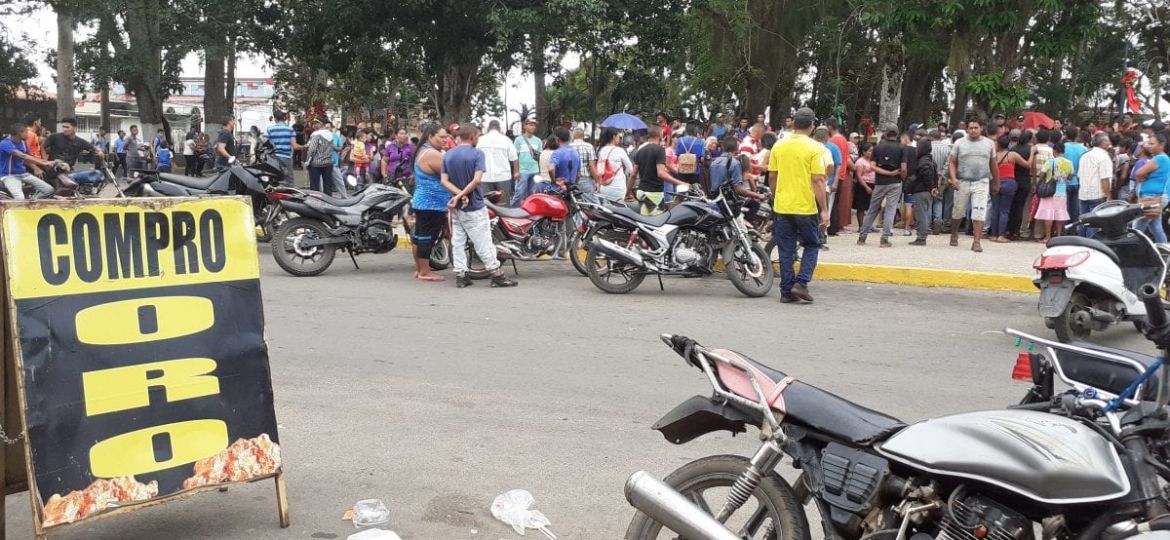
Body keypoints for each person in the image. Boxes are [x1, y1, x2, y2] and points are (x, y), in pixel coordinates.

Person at [441, 124, 518, 289]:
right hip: (474, 205)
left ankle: (461, 275)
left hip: (456, 206)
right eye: (478, 135)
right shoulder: (477, 154)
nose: (478, 138)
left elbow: (444, 181)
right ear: (472, 136)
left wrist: (458, 195)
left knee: (458, 241)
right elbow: (476, 180)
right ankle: (496, 274)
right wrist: (463, 195)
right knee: (483, 241)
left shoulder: (448, 155)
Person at [768, 108, 828, 304]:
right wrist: (825, 209)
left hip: (783, 206)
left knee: (786, 248)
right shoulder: (815, 148)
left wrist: (776, 195)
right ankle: (801, 283)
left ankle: (786, 291)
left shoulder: (779, 145)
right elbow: (818, 180)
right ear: (812, 126)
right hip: (805, 207)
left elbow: (772, 176)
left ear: (793, 123)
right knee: (812, 244)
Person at [948, 119, 998, 252]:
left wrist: (996, 182)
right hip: (962, 181)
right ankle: (954, 233)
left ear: (981, 129)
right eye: (971, 128)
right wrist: (953, 178)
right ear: (967, 129)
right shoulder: (959, 143)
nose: (973, 130)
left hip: (982, 182)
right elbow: (952, 162)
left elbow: (993, 163)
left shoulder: (989, 143)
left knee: (979, 211)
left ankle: (976, 241)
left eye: (976, 128)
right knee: (958, 211)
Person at [410, 123, 451, 282]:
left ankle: (420, 269)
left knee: (419, 237)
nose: (445, 140)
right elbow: (449, 174)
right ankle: (425, 272)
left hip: (423, 202)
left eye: (446, 137)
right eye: (441, 137)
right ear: (430, 137)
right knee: (427, 237)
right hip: (432, 203)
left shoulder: (423, 151)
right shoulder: (432, 154)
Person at [857, 128, 906, 247]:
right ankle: (884, 239)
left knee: (872, 209)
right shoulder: (901, 148)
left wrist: (886, 173)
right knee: (890, 210)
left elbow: (872, 166)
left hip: (879, 182)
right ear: (897, 135)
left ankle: (862, 237)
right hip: (895, 182)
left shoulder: (877, 147)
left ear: (886, 134)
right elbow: (904, 168)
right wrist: (898, 176)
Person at [629, 125, 685, 215]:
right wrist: (681, 183)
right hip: (654, 195)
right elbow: (661, 173)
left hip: (641, 193)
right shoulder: (660, 150)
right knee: (656, 221)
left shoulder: (640, 150)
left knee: (644, 220)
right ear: (660, 134)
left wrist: (627, 193)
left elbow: (633, 175)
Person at [0, 123, 59, 200]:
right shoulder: (5, 143)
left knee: (49, 190)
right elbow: (23, 156)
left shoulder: (23, 143)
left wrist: (36, 168)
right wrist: (44, 163)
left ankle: (32, 203)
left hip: (23, 173)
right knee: (20, 198)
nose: (28, 134)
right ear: (20, 133)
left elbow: (28, 158)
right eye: (26, 132)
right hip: (9, 175)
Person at [988, 136, 1029, 242]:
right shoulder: (1012, 155)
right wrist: (1033, 153)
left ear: (998, 145)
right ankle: (1001, 235)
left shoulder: (993, 156)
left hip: (995, 182)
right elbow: (1027, 165)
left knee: (995, 209)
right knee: (1004, 211)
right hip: (1009, 183)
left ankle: (993, 234)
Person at [1076, 132, 1114, 237]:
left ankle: (1081, 242)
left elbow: (1079, 175)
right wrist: (1108, 195)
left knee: (1083, 222)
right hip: (1098, 195)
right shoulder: (1104, 157)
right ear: (1104, 143)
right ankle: (1091, 243)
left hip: (1083, 194)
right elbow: (1105, 179)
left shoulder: (1084, 156)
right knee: (1094, 223)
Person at [1134, 131, 1170, 243]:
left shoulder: (1159, 159)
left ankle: (1128, 249)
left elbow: (1138, 173)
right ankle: (1164, 249)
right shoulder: (1163, 158)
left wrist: (1142, 177)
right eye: (1148, 143)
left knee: (1137, 227)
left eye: (1152, 143)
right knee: (1156, 228)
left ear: (1161, 144)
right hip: (1156, 196)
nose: (1149, 146)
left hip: (1152, 197)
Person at [1035, 143, 1073, 243]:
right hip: (1062, 192)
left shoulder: (1050, 162)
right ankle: (1058, 236)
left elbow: (1041, 175)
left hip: (1049, 191)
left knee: (1048, 214)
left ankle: (1048, 237)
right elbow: (1070, 177)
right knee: (1059, 214)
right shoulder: (1069, 163)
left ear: (1055, 151)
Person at [475, 119, 519, 201]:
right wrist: (516, 172)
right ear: (499, 128)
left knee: (486, 203)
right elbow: (514, 158)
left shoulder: (480, 140)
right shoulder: (506, 140)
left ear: (488, 128)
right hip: (503, 177)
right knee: (503, 203)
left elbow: (474, 158)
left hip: (485, 177)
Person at [908, 139, 938, 245]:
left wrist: (930, 187)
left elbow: (926, 174)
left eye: (918, 147)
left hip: (921, 190)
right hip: (926, 191)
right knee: (923, 213)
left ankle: (921, 237)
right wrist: (933, 187)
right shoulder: (930, 160)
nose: (916, 149)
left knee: (921, 215)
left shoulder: (923, 161)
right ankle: (921, 236)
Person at [596, 127, 633, 203]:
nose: (619, 138)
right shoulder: (619, 150)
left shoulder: (601, 150)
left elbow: (599, 170)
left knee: (606, 209)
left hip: (604, 187)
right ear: (614, 137)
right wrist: (624, 173)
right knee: (618, 209)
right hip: (617, 188)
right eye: (618, 136)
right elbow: (630, 169)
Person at [512, 119, 543, 206]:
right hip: (523, 171)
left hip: (535, 170)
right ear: (525, 126)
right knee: (519, 193)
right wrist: (516, 171)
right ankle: (512, 210)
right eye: (531, 125)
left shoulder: (538, 140)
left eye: (534, 125)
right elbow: (515, 156)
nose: (533, 127)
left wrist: (540, 171)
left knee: (532, 194)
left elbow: (540, 157)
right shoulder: (518, 140)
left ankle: (528, 210)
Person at [266, 111, 302, 183]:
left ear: (275, 119)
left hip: (273, 158)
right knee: (289, 180)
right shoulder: (290, 129)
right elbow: (295, 146)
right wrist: (305, 146)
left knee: (274, 179)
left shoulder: (269, 129)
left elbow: (265, 143)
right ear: (284, 119)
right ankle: (288, 189)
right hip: (286, 157)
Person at [1062, 127, 1088, 221]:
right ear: (1077, 135)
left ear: (1066, 135)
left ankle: (1065, 226)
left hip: (1064, 180)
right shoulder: (1084, 149)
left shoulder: (1062, 147)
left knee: (1064, 206)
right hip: (1078, 180)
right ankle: (1075, 226)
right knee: (1076, 206)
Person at [929, 129, 953, 234]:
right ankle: (938, 220)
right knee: (939, 199)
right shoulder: (948, 148)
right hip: (943, 179)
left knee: (929, 201)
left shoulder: (928, 148)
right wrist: (941, 175)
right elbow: (948, 164)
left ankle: (928, 224)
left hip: (929, 177)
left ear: (931, 137)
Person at [305, 119, 336, 195]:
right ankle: (328, 200)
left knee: (315, 186)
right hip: (328, 162)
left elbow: (312, 149)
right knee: (327, 185)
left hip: (316, 163)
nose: (315, 125)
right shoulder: (330, 134)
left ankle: (315, 200)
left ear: (321, 124)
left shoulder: (316, 134)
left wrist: (307, 161)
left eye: (316, 123)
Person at [568, 128, 598, 202]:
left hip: (570, 180)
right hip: (585, 179)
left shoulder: (568, 147)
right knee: (593, 204)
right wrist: (597, 180)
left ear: (573, 136)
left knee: (573, 204)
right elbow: (591, 165)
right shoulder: (589, 146)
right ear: (583, 136)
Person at [674, 124, 705, 189]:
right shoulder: (701, 142)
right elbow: (702, 158)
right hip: (695, 170)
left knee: (681, 190)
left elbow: (677, 155)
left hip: (682, 170)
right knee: (695, 191)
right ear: (695, 131)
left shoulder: (679, 140)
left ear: (686, 131)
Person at [853, 143, 876, 228]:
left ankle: (869, 225)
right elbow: (859, 176)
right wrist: (866, 187)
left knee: (872, 207)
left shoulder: (873, 161)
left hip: (873, 184)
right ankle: (861, 226)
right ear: (863, 152)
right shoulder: (860, 162)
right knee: (861, 207)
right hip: (863, 185)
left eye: (872, 151)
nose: (871, 153)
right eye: (870, 151)